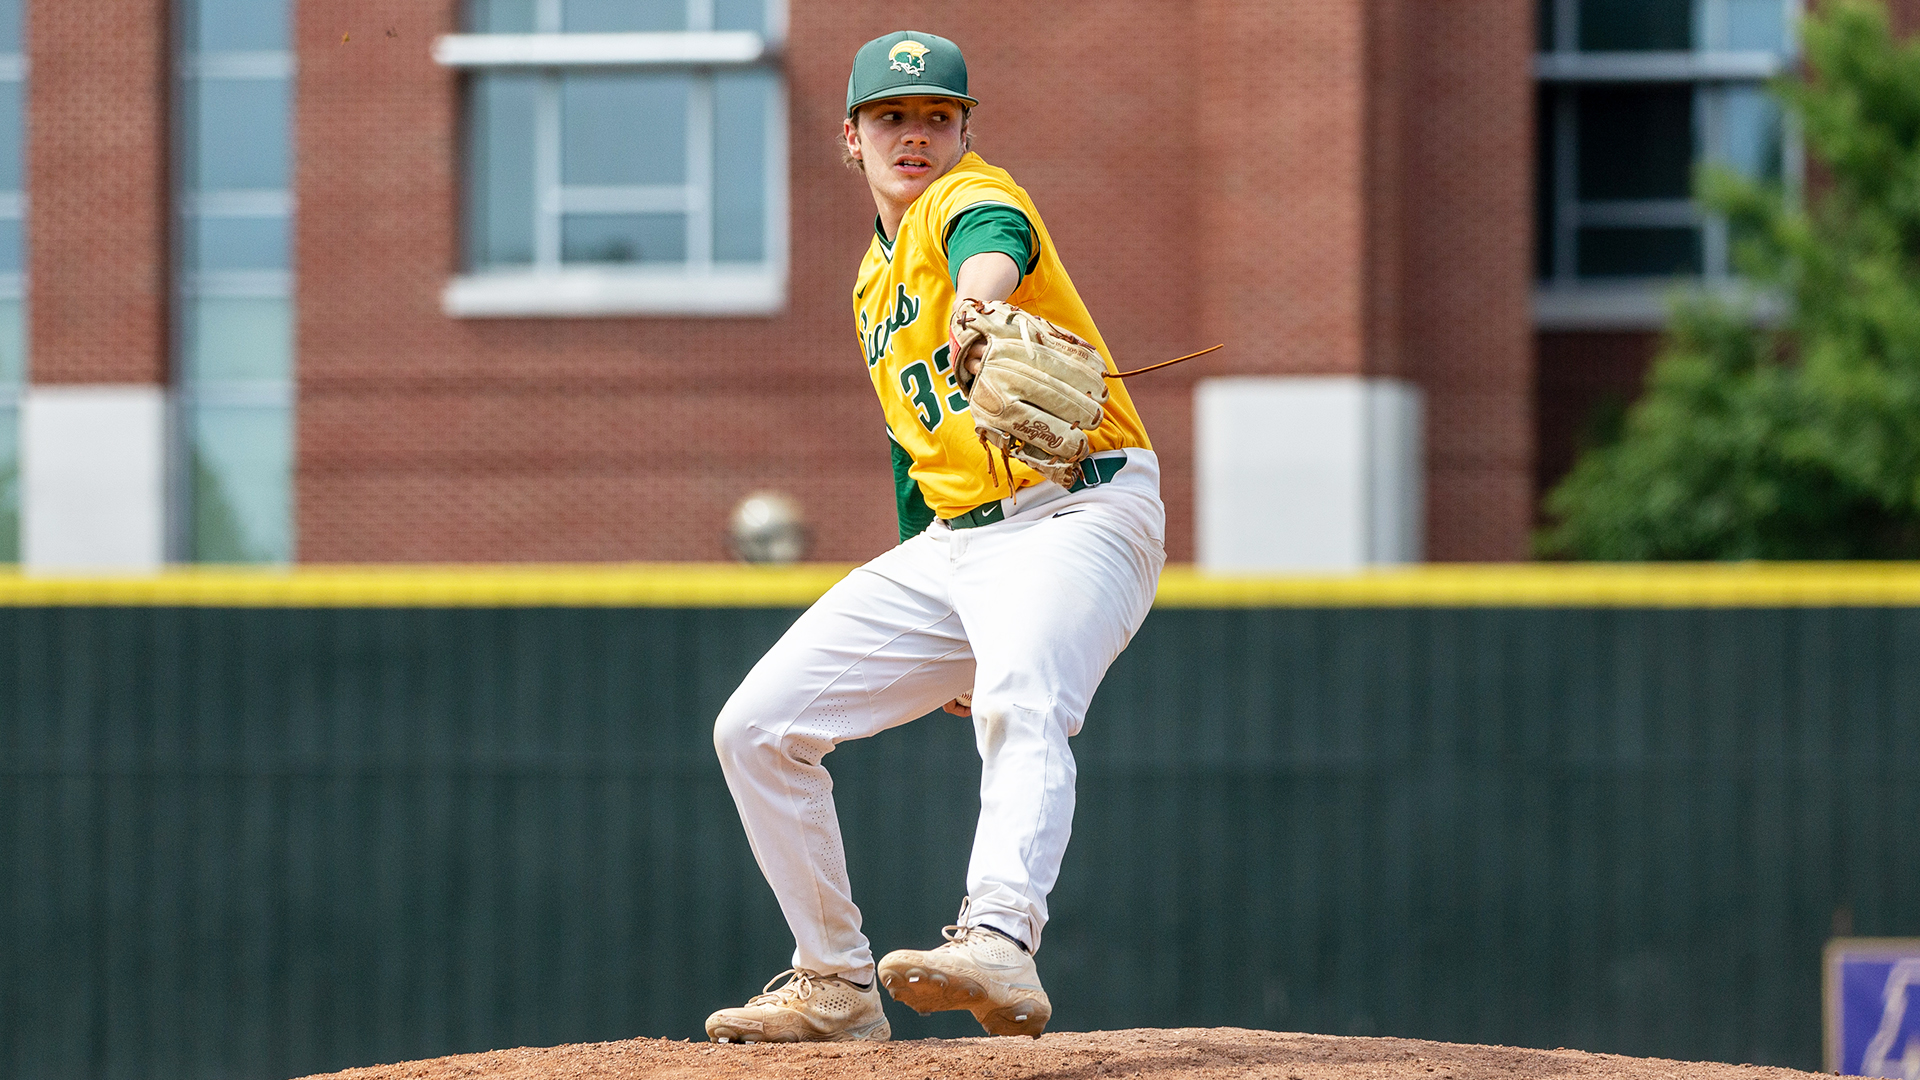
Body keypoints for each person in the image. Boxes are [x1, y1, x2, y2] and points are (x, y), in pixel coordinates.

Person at [704, 29, 1165, 1044]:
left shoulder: (967, 200)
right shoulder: (870, 288)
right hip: (960, 542)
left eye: (934, 118)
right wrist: (948, 607)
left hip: (1080, 508)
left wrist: (977, 298)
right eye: (890, 118)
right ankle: (835, 982)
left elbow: (990, 235)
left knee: (1020, 697)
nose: (914, 136)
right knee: (758, 730)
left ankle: (1000, 935)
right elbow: (918, 453)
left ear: (963, 131)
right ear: (851, 138)